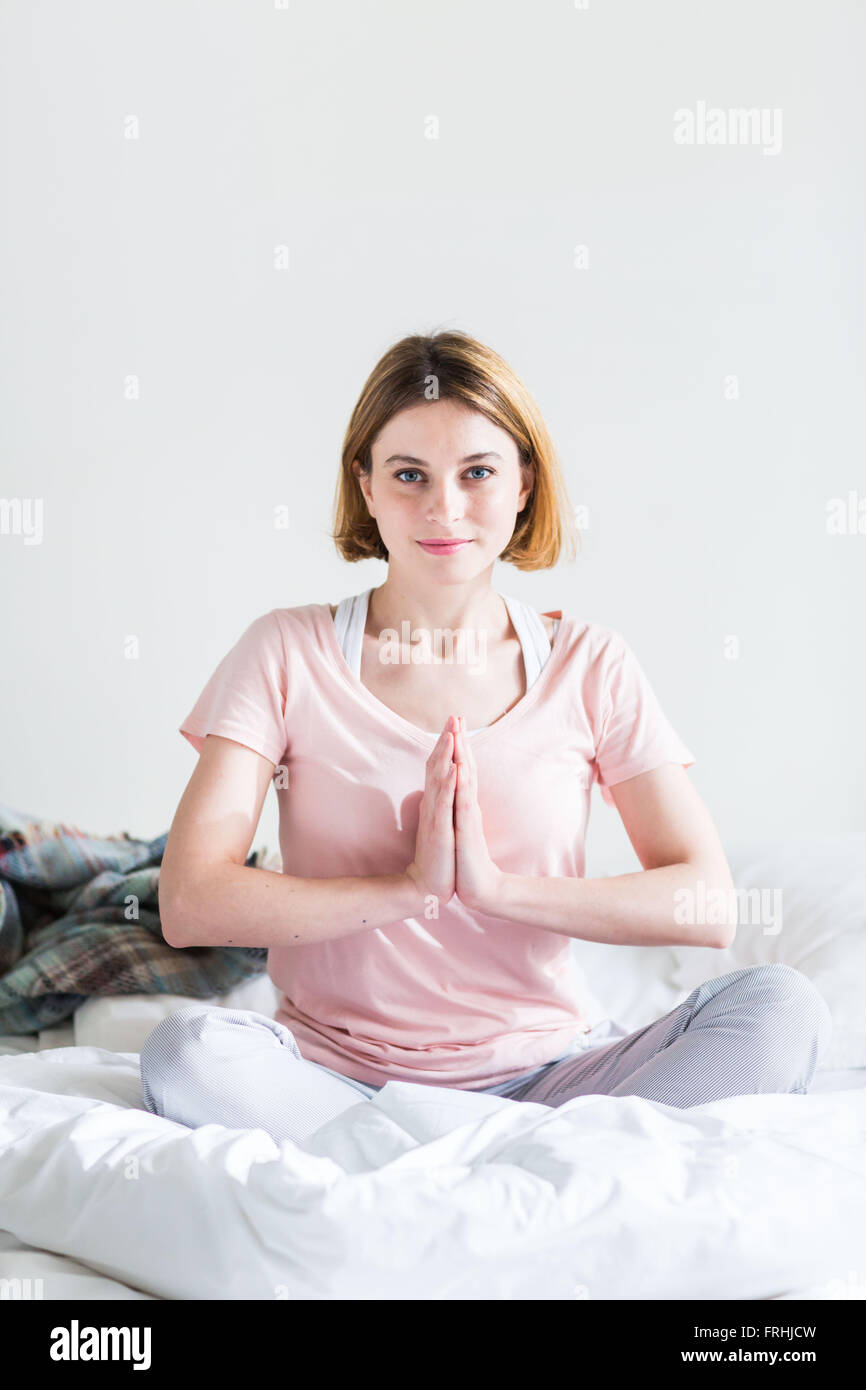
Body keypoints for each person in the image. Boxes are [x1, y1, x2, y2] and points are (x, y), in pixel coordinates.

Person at [140, 329, 832, 1149]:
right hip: (338, 1082)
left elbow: (708, 903)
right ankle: (496, 1169)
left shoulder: (590, 661)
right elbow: (188, 903)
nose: (444, 509)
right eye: (408, 476)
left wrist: (497, 888)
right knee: (186, 1053)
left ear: (524, 485)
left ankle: (439, 1166)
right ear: (363, 484)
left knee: (781, 1009)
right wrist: (406, 889)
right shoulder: (285, 650)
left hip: (552, 1081)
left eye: (477, 473)